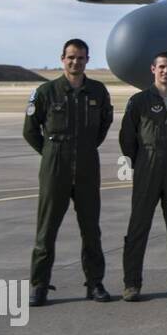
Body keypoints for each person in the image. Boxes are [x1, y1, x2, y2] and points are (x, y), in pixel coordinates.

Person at [23, 38, 114, 306]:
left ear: (87, 61)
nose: (76, 62)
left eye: (81, 58)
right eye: (71, 57)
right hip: (55, 168)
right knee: (46, 230)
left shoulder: (97, 92)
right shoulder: (46, 92)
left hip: (87, 167)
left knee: (91, 229)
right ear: (62, 59)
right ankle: (39, 285)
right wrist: (52, 153)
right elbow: (30, 130)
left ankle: (95, 283)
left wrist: (83, 148)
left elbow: (104, 125)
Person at [119, 51, 167, 300]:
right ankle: (132, 284)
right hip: (147, 167)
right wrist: (143, 159)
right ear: (153, 69)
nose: (166, 71)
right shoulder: (139, 100)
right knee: (138, 227)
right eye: (162, 67)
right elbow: (127, 137)